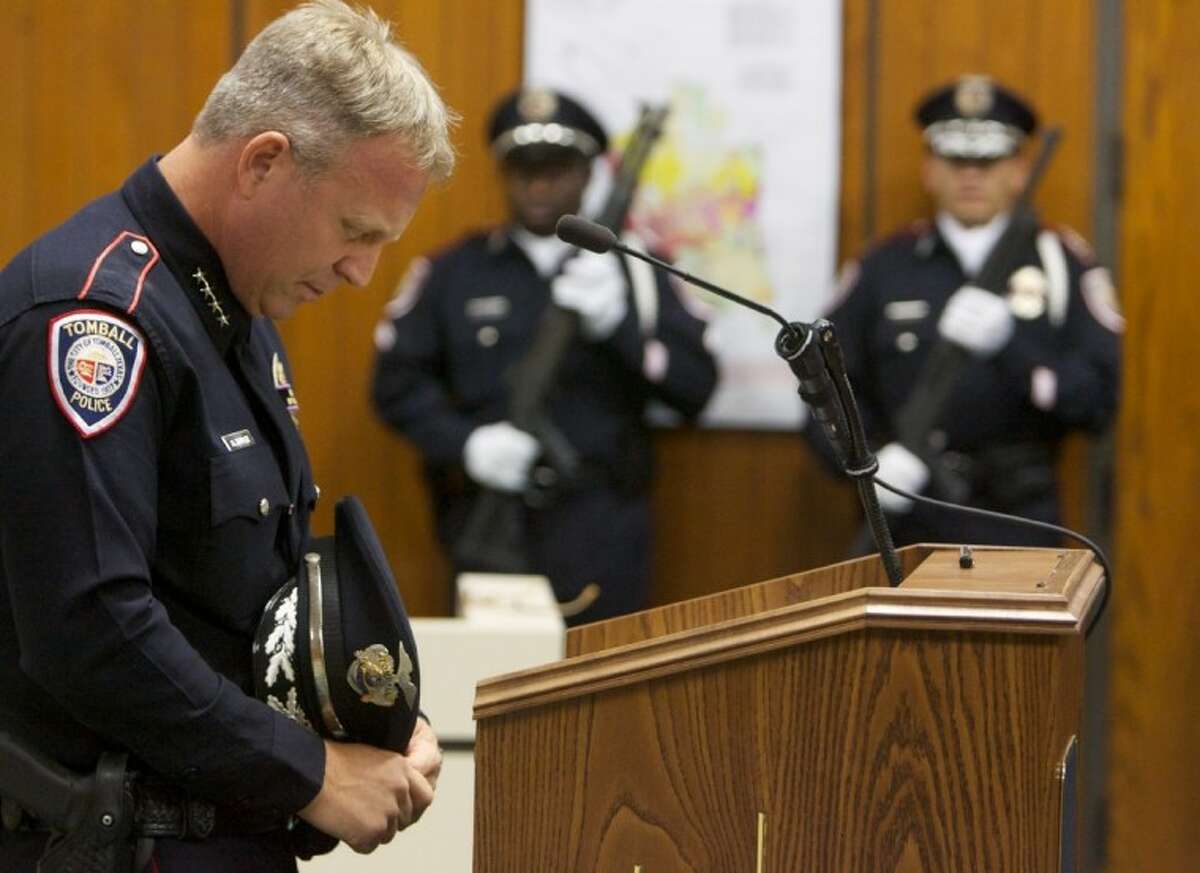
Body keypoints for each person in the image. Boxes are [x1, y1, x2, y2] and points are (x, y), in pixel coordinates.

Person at [0, 1, 456, 870]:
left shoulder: (232, 305)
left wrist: (376, 719)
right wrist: (310, 770)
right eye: (356, 231)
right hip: (119, 843)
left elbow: (240, 609)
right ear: (264, 162)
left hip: (218, 829)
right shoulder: (97, 317)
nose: (363, 271)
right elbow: (91, 629)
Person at [372, 88, 718, 625]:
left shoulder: (639, 269)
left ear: (587, 173)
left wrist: (620, 326)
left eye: (557, 168)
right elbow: (395, 385)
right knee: (487, 691)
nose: (538, 184)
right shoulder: (453, 272)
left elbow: (696, 389)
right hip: (487, 519)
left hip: (601, 526)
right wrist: (466, 444)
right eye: (522, 169)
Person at [804, 75, 1122, 547]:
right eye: (955, 160)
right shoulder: (882, 268)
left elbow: (1097, 401)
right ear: (929, 169)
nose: (971, 175)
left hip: (1022, 522)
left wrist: (1013, 348)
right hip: (911, 519)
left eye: (988, 160)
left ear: (1018, 169)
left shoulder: (1063, 263)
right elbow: (822, 390)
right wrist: (868, 462)